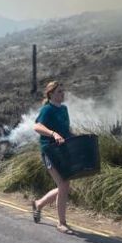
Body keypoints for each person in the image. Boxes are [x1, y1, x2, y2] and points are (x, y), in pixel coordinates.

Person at [32, 80, 75, 234]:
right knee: (63, 184)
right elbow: (37, 126)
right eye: (59, 92)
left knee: (64, 186)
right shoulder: (47, 109)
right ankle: (61, 223)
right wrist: (53, 133)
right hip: (49, 151)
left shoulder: (64, 109)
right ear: (51, 94)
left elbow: (65, 129)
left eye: (63, 92)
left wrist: (74, 136)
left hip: (62, 150)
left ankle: (38, 204)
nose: (62, 94)